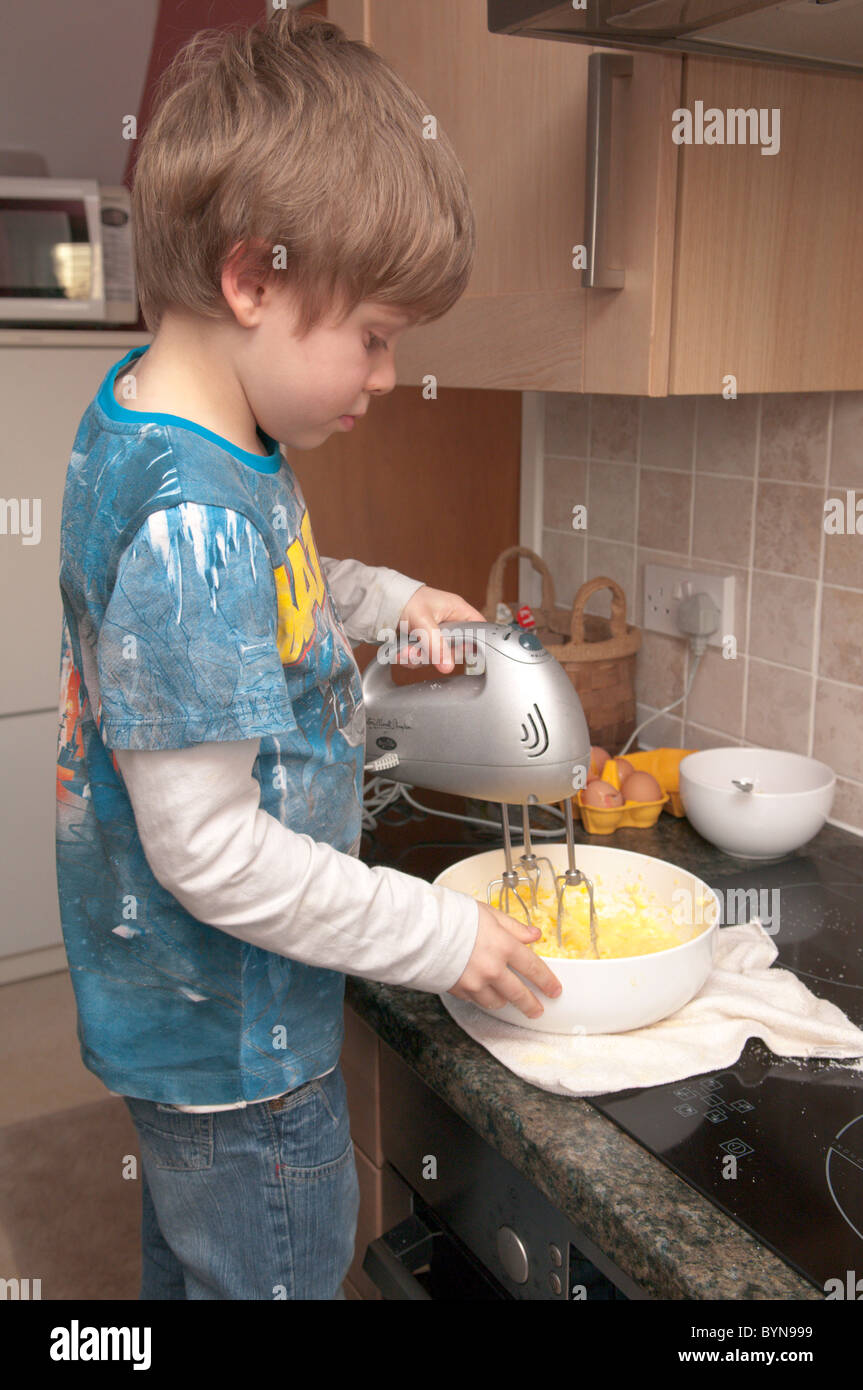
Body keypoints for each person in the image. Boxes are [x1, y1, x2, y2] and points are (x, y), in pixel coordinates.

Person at [55, 7, 561, 1301]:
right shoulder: (191, 520)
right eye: (378, 337)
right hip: (241, 1047)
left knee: (196, 1270)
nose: (387, 377)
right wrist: (438, 927)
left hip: (187, 1026)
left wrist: (391, 600)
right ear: (252, 280)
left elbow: (281, 585)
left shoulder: (189, 427)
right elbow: (212, 850)